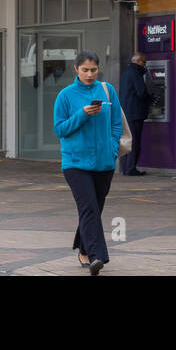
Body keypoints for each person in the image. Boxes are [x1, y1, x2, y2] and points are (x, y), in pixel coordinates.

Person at [53, 50, 123, 275]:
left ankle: (83, 249)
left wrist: (112, 149)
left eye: (93, 70)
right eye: (85, 70)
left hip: (104, 163)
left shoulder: (107, 90)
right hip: (75, 163)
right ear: (76, 69)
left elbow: (116, 123)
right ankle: (95, 256)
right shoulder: (66, 95)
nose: (90, 74)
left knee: (94, 209)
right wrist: (82, 114)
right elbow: (59, 128)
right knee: (89, 208)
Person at [118, 52, 150, 176]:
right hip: (135, 112)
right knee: (134, 141)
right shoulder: (135, 73)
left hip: (126, 112)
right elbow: (141, 92)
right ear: (137, 61)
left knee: (127, 140)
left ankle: (126, 167)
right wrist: (150, 99)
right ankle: (131, 168)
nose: (145, 65)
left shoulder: (126, 73)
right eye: (144, 62)